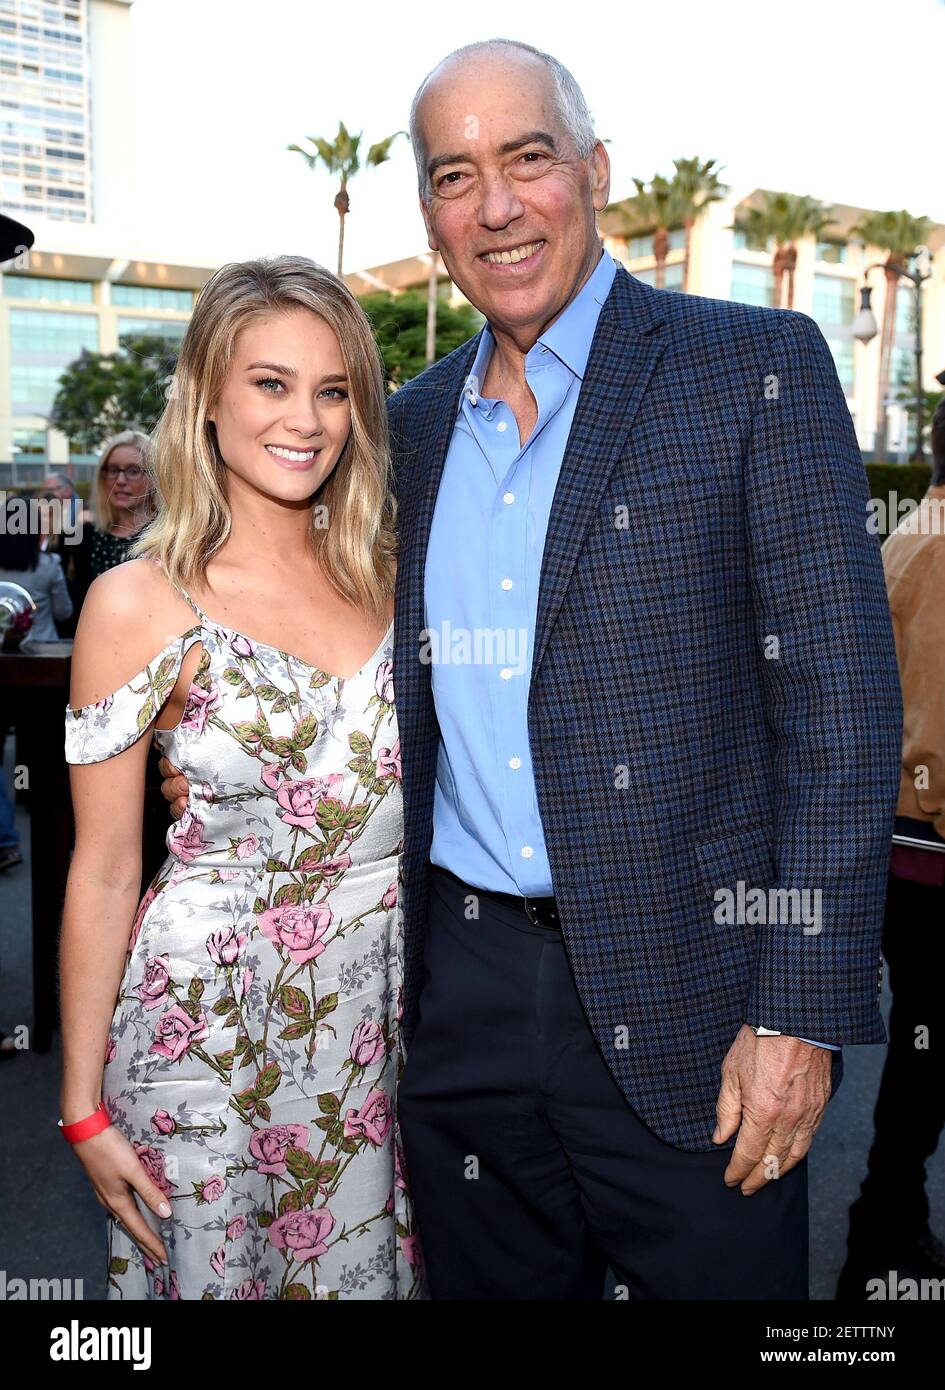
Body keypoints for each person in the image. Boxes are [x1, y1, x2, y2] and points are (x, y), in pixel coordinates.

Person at [163, 38, 902, 1301]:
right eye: (457, 176)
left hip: (701, 1004)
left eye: (528, 159)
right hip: (459, 1000)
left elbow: (840, 712)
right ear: (432, 216)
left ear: (596, 171)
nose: (496, 205)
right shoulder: (411, 426)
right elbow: (300, 603)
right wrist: (208, 725)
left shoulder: (751, 367)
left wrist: (801, 1010)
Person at [60, 255, 421, 1301]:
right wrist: (81, 1105)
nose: (303, 418)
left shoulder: (399, 574)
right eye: (270, 382)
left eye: (333, 388)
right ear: (208, 396)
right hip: (204, 1037)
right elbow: (103, 870)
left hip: (376, 1044)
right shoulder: (137, 603)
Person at [837, 398, 945, 1297]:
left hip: (895, 840)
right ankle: (880, 1237)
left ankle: (886, 1228)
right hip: (928, 846)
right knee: (921, 1065)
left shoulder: (911, 532)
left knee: (919, 1057)